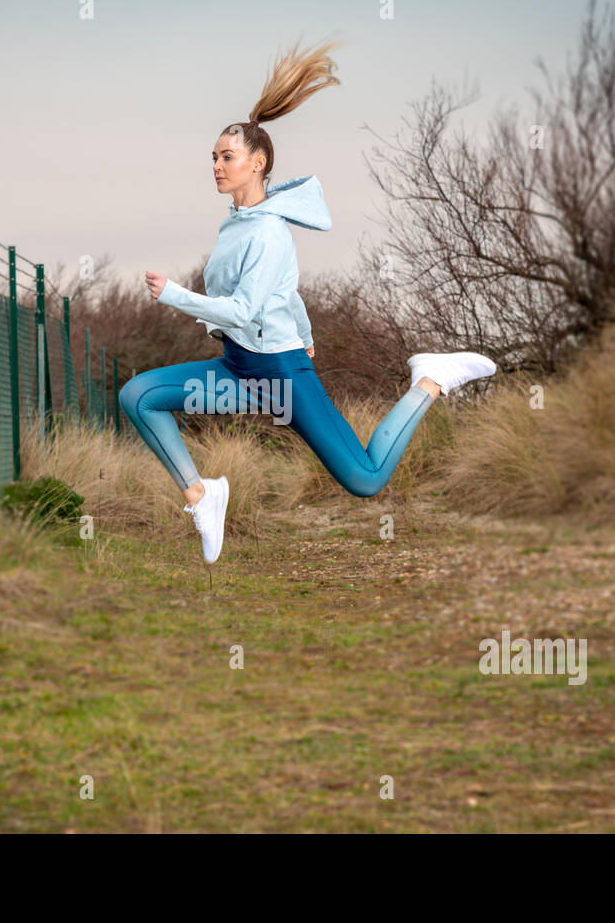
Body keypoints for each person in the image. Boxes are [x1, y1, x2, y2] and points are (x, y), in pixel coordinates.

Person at [120, 36, 496, 564]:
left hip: (279, 378)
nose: (216, 166)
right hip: (238, 371)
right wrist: (309, 332)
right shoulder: (236, 224)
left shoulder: (268, 232)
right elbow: (284, 291)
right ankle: (204, 496)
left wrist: (176, 295)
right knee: (137, 396)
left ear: (259, 161)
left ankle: (430, 380)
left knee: (365, 479)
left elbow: (246, 311)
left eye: (227, 157)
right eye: (213, 157)